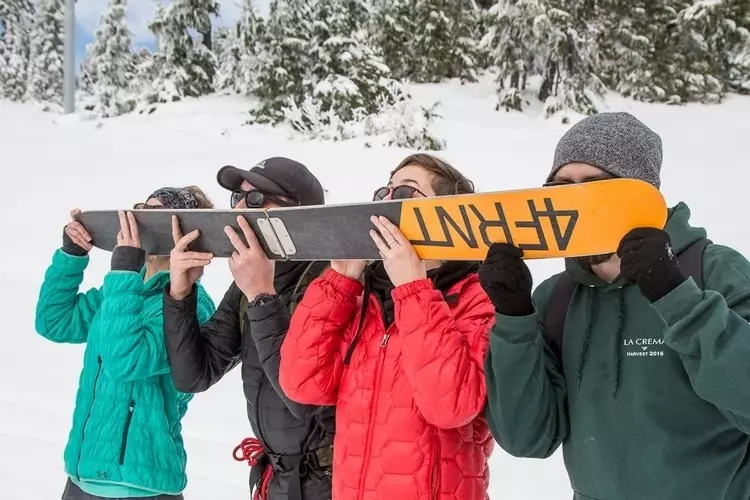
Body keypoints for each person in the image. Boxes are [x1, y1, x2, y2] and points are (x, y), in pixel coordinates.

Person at [480, 112, 750, 500]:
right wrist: (514, 318)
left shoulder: (713, 272)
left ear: (640, 193)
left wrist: (677, 297)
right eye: (561, 188)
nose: (576, 201)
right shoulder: (557, 297)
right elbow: (526, 437)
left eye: (596, 186)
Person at [279, 154, 496, 500]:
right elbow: (301, 382)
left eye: (405, 193)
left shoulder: (477, 298)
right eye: (385, 192)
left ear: (447, 211)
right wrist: (340, 280)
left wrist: (413, 289)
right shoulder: (365, 297)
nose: (388, 202)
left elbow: (451, 406)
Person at [162, 157, 333, 500]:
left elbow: (303, 400)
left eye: (255, 200)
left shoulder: (331, 282)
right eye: (236, 199)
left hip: (330, 481)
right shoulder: (246, 285)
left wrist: (261, 296)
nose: (240, 209)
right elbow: (193, 375)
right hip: (276, 477)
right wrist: (180, 294)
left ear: (298, 212)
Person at [34, 187, 216, 500]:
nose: (142, 219)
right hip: (83, 476)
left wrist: (124, 271)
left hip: (139, 485)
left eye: (156, 214)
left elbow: (127, 361)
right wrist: (72, 255)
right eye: (142, 208)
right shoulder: (125, 289)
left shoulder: (191, 306)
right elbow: (55, 322)